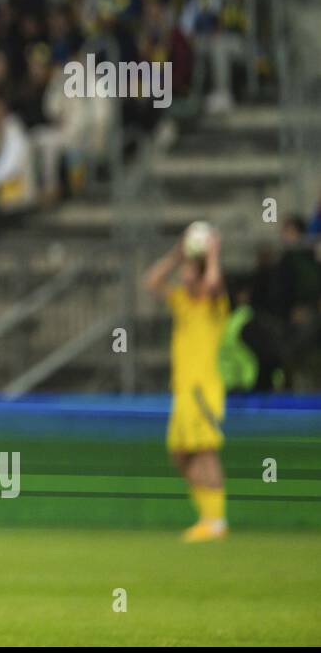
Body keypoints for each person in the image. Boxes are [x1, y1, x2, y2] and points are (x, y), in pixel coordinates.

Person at [144, 225, 229, 542]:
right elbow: (151, 281)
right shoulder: (182, 302)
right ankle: (208, 516)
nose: (183, 275)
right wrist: (175, 255)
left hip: (205, 390)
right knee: (179, 454)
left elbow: (213, 284)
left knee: (205, 452)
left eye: (188, 270)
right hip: (183, 392)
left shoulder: (213, 304)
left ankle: (215, 521)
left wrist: (213, 255)